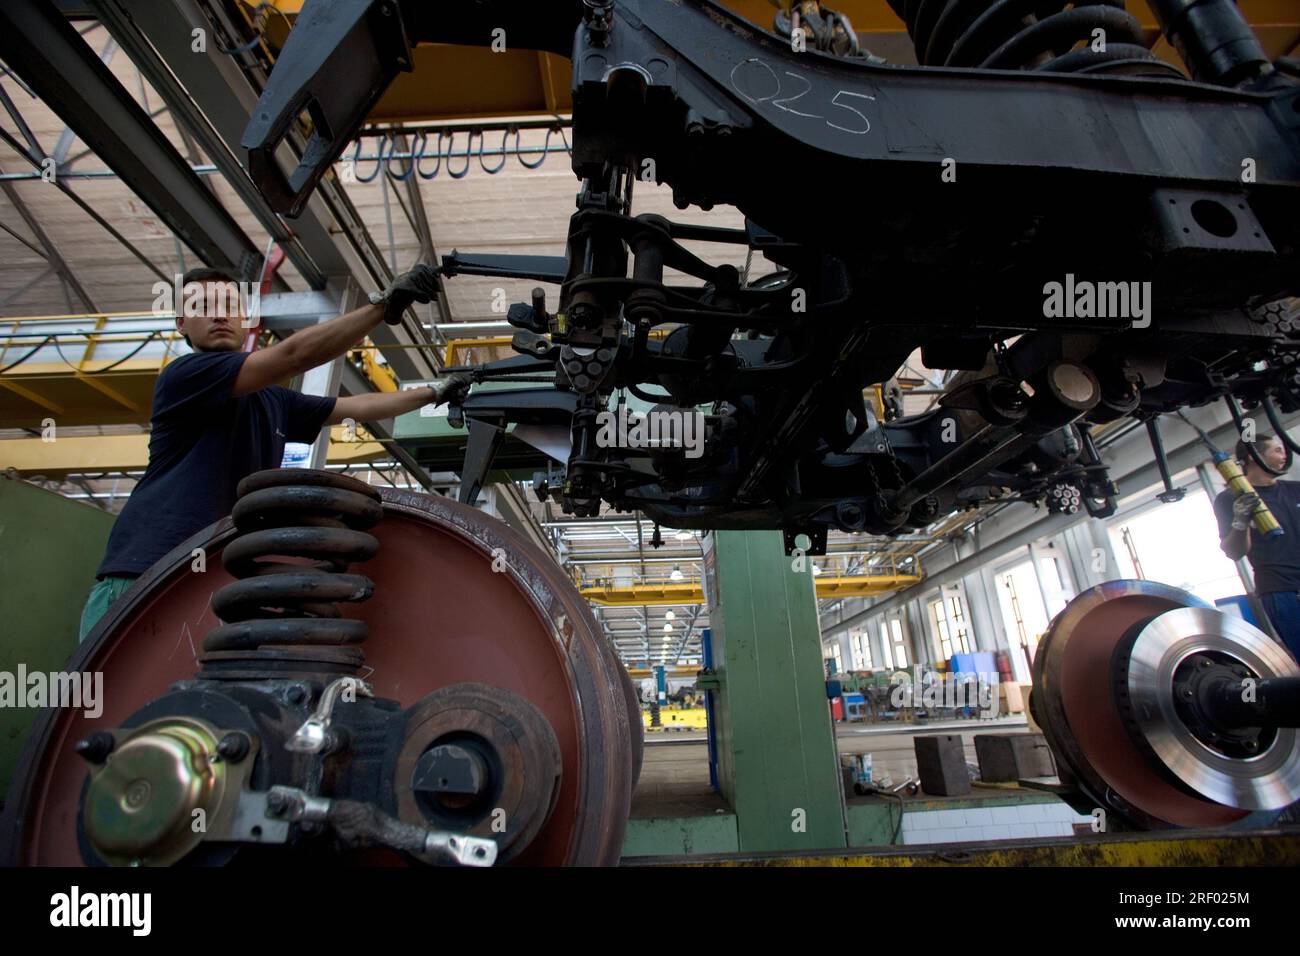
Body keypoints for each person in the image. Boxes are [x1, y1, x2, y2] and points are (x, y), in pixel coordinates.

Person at [78, 264, 469, 641]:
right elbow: (295, 355)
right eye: (202, 307)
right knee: (113, 701)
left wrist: (436, 391)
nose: (219, 316)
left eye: (230, 307)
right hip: (145, 570)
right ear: (182, 324)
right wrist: (383, 307)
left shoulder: (274, 399)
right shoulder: (187, 375)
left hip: (215, 572)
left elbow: (357, 407)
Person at [1214, 433, 1300, 661]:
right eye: (1277, 450)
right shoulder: (1230, 499)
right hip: (1283, 590)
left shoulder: (1296, 489)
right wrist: (1241, 520)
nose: (1284, 455)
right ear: (1254, 457)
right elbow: (1234, 552)